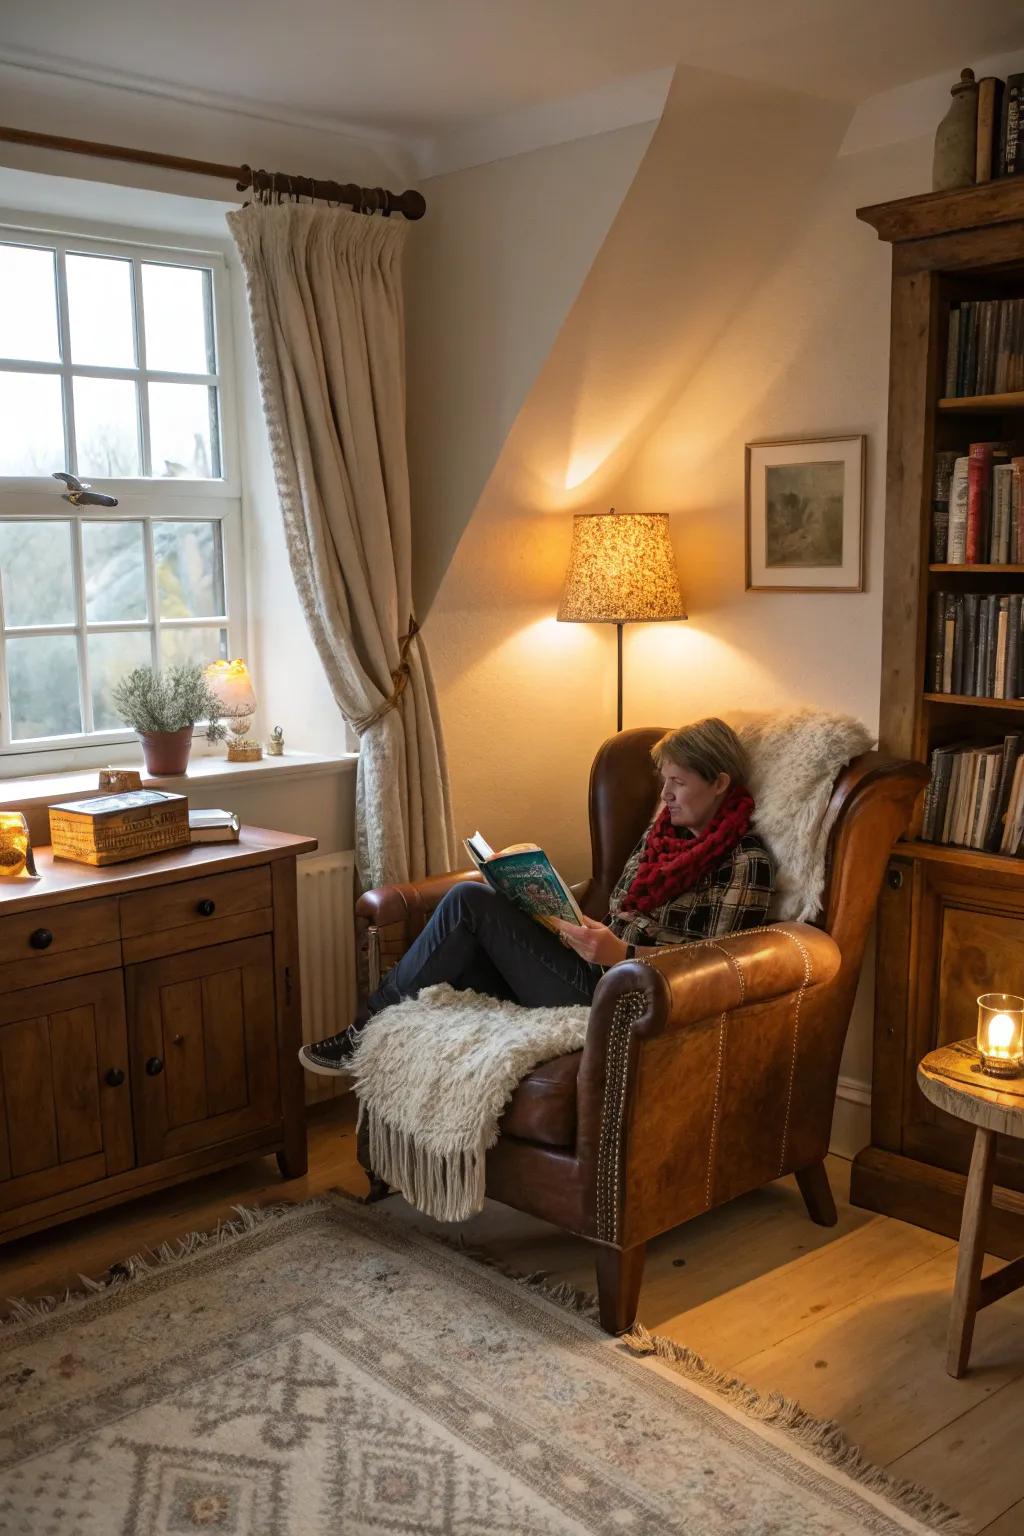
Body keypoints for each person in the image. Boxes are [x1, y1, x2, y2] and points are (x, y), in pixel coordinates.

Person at [299, 716, 776, 1075]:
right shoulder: (663, 836)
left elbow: (720, 965)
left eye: (679, 783)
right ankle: (375, 1028)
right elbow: (617, 910)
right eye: (663, 782)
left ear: (719, 784)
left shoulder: (744, 861)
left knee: (467, 905)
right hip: (593, 961)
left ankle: (365, 1031)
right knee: (473, 905)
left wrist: (624, 954)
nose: (665, 796)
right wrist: (534, 898)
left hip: (623, 993)